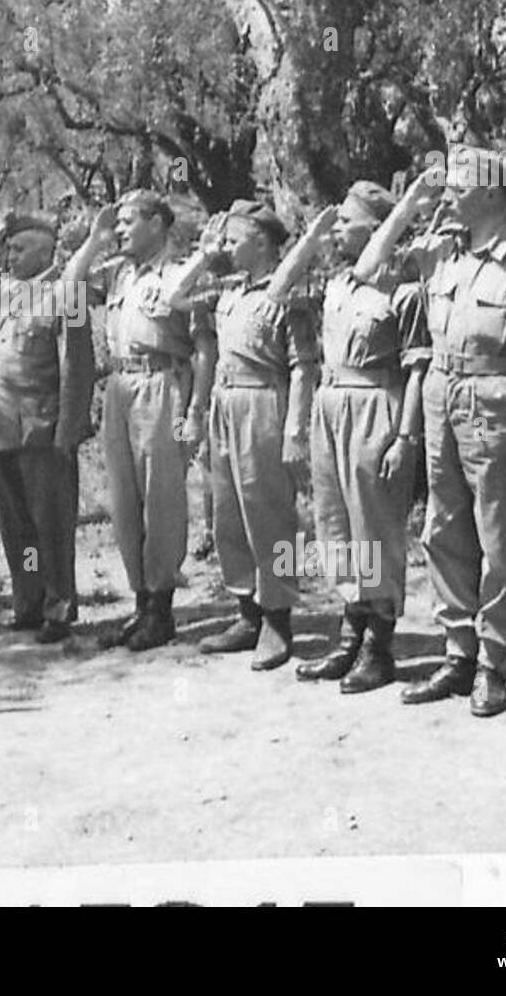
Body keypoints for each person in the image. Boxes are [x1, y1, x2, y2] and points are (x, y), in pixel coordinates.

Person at [356, 147, 506, 717]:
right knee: (441, 526)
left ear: (494, 193)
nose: (447, 192)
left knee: (499, 537)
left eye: (458, 184)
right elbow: (368, 269)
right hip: (439, 398)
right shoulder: (439, 253)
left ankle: (492, 661)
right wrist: (407, 208)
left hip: (499, 399)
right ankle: (457, 652)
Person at [280, 183, 432, 692]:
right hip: (331, 405)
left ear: (377, 227)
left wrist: (405, 437)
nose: (337, 228)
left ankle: (378, 646)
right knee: (338, 526)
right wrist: (314, 234)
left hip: (376, 408)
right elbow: (278, 288)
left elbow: (417, 370)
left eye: (347, 220)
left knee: (377, 527)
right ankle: (349, 633)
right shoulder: (339, 283)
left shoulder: (403, 286)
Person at [61, 190, 215, 652]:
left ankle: (162, 607)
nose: (120, 229)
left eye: (128, 221)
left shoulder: (181, 274)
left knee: (161, 495)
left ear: (158, 224)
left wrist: (195, 411)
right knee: (125, 499)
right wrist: (94, 239)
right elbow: (70, 287)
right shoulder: (119, 276)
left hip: (163, 384)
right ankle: (142, 602)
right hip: (121, 388)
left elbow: (204, 347)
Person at [168, 200, 317, 669]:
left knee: (269, 515)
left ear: (261, 240)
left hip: (264, 405)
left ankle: (278, 617)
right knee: (228, 514)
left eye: (234, 239)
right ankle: (247, 610)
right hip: (224, 405)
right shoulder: (227, 291)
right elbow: (174, 298)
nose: (227, 247)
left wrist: (296, 429)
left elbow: (303, 367)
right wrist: (206, 254)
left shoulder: (288, 293)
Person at [0, 214, 95, 643]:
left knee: (50, 522)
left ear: (45, 251)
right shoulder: (5, 292)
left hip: (43, 426)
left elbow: (77, 368)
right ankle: (27, 601)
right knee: (16, 527)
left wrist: (68, 431)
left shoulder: (65, 294)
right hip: (3, 426)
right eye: (8, 250)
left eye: (18, 250)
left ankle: (58, 607)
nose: (10, 258)